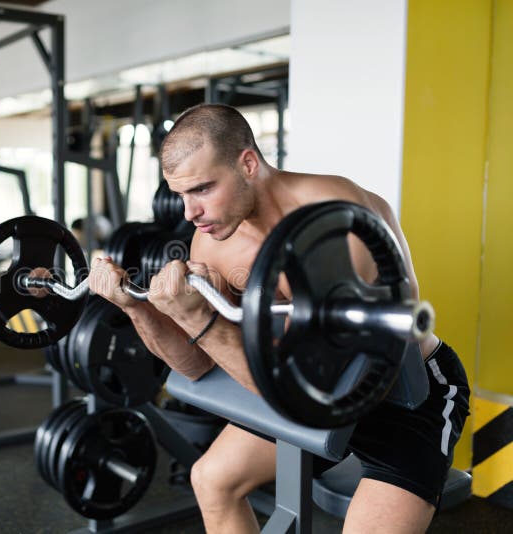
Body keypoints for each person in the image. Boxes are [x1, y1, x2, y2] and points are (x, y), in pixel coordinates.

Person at [86, 104, 470, 534]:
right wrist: (136, 307)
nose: (189, 212)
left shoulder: (337, 221)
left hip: (406, 395)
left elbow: (306, 387)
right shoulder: (211, 242)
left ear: (248, 163)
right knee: (211, 480)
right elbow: (196, 366)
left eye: (203, 189)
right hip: (315, 395)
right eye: (181, 194)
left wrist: (198, 321)